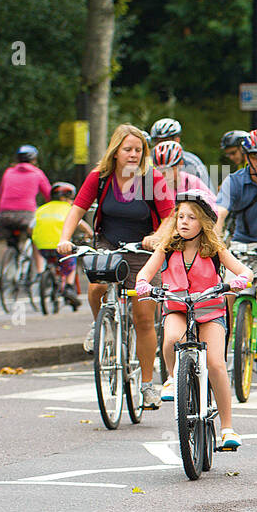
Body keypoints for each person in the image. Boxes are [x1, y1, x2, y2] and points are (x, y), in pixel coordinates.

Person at [56, 124, 175, 406]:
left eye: (138, 150)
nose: (133, 155)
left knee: (144, 318)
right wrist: (64, 238)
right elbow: (78, 208)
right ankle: (100, 324)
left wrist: (156, 237)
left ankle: (147, 384)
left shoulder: (151, 178)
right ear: (116, 151)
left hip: (143, 250)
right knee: (97, 285)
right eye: (127, 149)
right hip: (109, 244)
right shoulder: (100, 177)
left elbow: (170, 215)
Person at [135, 192, 250, 449]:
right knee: (172, 339)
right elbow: (146, 272)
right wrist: (143, 284)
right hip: (177, 308)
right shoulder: (167, 248)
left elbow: (244, 271)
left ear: (204, 223)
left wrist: (239, 281)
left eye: (192, 218)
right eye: (181, 217)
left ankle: (227, 428)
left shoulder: (215, 250)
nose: (184, 222)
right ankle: (171, 378)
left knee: (216, 364)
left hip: (210, 312)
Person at [31, 182, 88, 307]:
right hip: (61, 246)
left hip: (42, 247)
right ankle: (68, 286)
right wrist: (90, 233)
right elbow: (81, 224)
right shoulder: (68, 209)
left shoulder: (41, 209)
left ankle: (44, 272)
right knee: (70, 264)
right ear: (65, 198)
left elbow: (31, 228)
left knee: (44, 252)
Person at [0, 144, 51, 250]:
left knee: (9, 244)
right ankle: (39, 266)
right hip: (26, 215)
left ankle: (7, 261)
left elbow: (1, 193)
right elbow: (49, 195)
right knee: (36, 238)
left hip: (4, 215)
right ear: (34, 160)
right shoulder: (37, 173)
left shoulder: (8, 172)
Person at [148, 118, 213, 189]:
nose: (164, 145)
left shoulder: (192, 162)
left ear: (177, 139)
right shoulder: (148, 160)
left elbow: (208, 190)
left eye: (167, 140)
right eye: (159, 141)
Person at [153, 141, 215, 211]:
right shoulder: (154, 185)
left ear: (180, 164)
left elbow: (214, 207)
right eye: (161, 170)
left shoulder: (191, 181)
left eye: (170, 169)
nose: (166, 175)